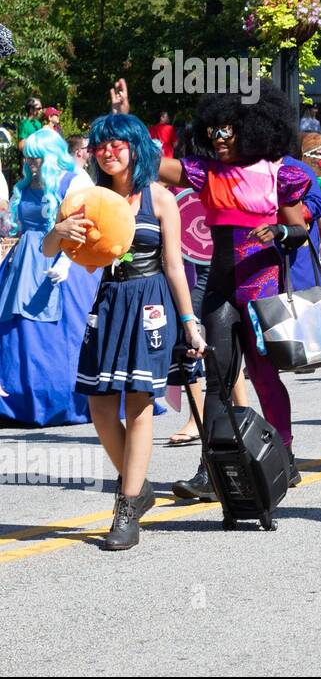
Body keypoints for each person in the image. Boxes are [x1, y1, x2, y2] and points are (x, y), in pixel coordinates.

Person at [132, 83, 314, 499]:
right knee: (218, 379)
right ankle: (212, 471)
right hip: (220, 291)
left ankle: (284, 455)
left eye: (228, 130)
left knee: (265, 378)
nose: (220, 139)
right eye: (214, 131)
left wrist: (282, 230)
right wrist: (130, 123)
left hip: (260, 291)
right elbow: (152, 162)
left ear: (253, 129)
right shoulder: (205, 172)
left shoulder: (278, 173)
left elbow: (300, 230)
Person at [45, 114, 204, 550]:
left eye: (116, 144)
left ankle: (127, 506)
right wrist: (58, 232)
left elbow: (175, 265)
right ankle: (140, 486)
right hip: (110, 301)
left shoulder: (160, 198)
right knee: (98, 406)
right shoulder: (88, 198)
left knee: (137, 405)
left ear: (136, 147)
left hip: (152, 303)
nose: (108, 151)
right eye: (100, 146)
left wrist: (190, 323)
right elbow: (49, 248)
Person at [0, 128, 99, 426]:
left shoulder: (74, 181)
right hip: (22, 266)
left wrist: (66, 263)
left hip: (61, 264)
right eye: (28, 157)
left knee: (57, 335)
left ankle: (62, 401)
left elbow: (86, 226)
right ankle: (18, 402)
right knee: (17, 334)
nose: (31, 164)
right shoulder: (26, 184)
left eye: (37, 157)